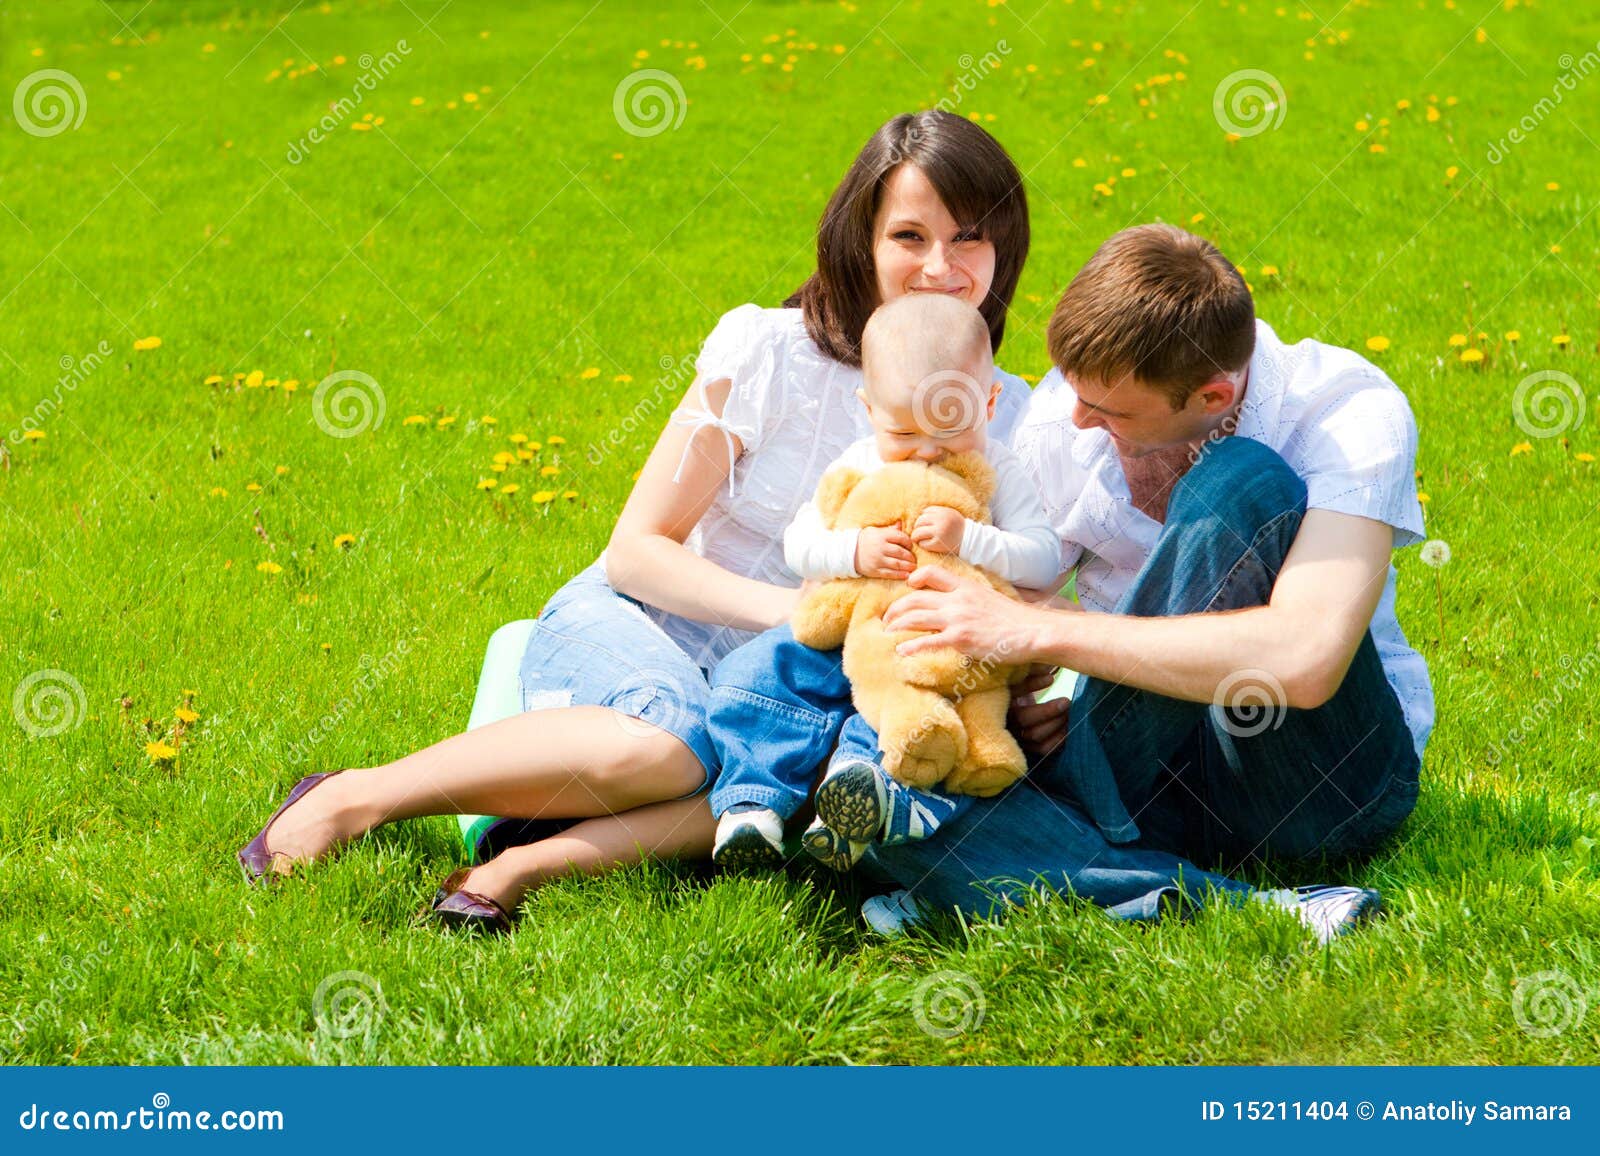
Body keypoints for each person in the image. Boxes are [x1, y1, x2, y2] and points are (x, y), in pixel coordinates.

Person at [236, 109, 1035, 933]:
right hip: (653, 626)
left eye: (969, 237)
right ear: (860, 241)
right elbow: (636, 553)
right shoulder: (766, 352)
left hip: (804, 690)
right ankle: (352, 797)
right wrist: (808, 619)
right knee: (672, 747)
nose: (941, 266)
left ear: (1002, 246)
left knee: (793, 774)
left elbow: (1020, 577)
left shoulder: (1008, 412)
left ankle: (515, 866)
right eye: (910, 235)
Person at [712, 224, 1429, 945]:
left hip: (1310, 775)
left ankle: (1027, 869)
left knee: (1243, 479)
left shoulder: (1348, 415)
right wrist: (1034, 690)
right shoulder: (1065, 418)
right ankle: (1246, 905)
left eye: (1109, 413)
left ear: (1212, 394)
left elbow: (1303, 659)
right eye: (1075, 394)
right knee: (900, 787)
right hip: (1133, 767)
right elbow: (1002, 598)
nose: (1077, 421)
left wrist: (1046, 634)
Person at [707, 292, 1059, 870]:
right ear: (869, 410)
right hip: (848, 627)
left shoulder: (1002, 471)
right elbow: (800, 545)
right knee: (760, 670)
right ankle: (752, 805)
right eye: (902, 433)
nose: (924, 452)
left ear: (990, 402)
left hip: (940, 640)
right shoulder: (858, 462)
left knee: (914, 703)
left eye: (948, 434)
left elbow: (1044, 561)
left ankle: (866, 791)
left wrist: (969, 538)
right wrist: (853, 551)